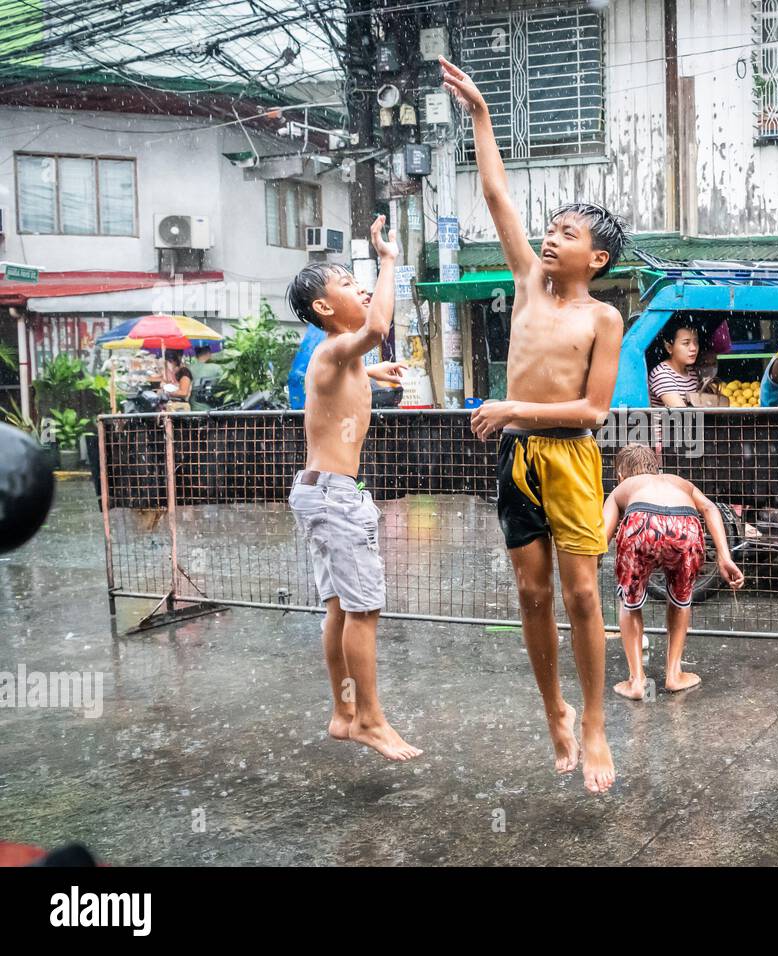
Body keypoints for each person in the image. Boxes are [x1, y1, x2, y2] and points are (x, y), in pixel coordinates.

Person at [444, 56, 627, 794]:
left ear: (598, 256)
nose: (550, 239)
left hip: (571, 457)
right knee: (530, 594)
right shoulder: (525, 283)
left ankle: (593, 721)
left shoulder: (602, 316)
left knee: (584, 596)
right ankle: (553, 709)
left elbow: (593, 412)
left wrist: (513, 407)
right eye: (550, 228)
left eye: (568, 233)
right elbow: (496, 197)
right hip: (516, 458)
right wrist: (483, 115)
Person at [284, 215, 422, 762]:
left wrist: (375, 372)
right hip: (335, 497)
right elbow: (376, 327)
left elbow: (358, 358)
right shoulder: (334, 348)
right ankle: (370, 719)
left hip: (321, 492)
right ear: (323, 308)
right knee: (363, 610)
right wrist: (388, 261)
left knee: (340, 607)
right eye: (346, 284)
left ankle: (344, 714)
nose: (359, 289)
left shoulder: (341, 358)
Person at [603, 443, 744, 699]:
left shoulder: (622, 488)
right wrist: (724, 556)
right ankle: (674, 674)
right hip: (685, 524)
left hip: (640, 523)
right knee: (680, 601)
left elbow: (602, 537)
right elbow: (710, 508)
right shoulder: (677, 481)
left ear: (621, 475)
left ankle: (637, 681)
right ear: (656, 468)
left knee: (630, 603)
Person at [649, 318, 702, 407]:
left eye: (696, 342)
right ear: (669, 348)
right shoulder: (662, 374)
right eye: (686, 343)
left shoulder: (692, 372)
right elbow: (683, 415)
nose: (693, 348)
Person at [188, 345, 223, 411]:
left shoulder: (188, 368)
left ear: (196, 355)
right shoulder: (217, 368)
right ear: (209, 354)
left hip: (193, 409)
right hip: (213, 409)